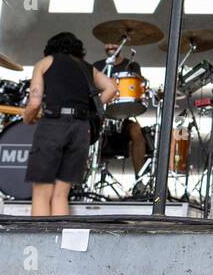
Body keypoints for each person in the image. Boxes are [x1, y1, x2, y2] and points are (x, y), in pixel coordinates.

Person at [23, 32, 117, 217]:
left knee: (41, 193)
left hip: (54, 125)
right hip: (81, 129)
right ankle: (59, 242)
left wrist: (27, 118)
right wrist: (88, 110)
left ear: (50, 48)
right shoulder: (88, 68)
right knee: (61, 195)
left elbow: (34, 103)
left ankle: (39, 241)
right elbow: (112, 88)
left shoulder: (45, 63)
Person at [92, 42, 149, 174]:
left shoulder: (132, 66)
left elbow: (137, 92)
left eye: (114, 43)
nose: (110, 46)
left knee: (137, 132)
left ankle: (138, 179)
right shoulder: (98, 66)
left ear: (121, 45)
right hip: (101, 117)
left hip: (123, 119)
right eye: (107, 43)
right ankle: (85, 180)